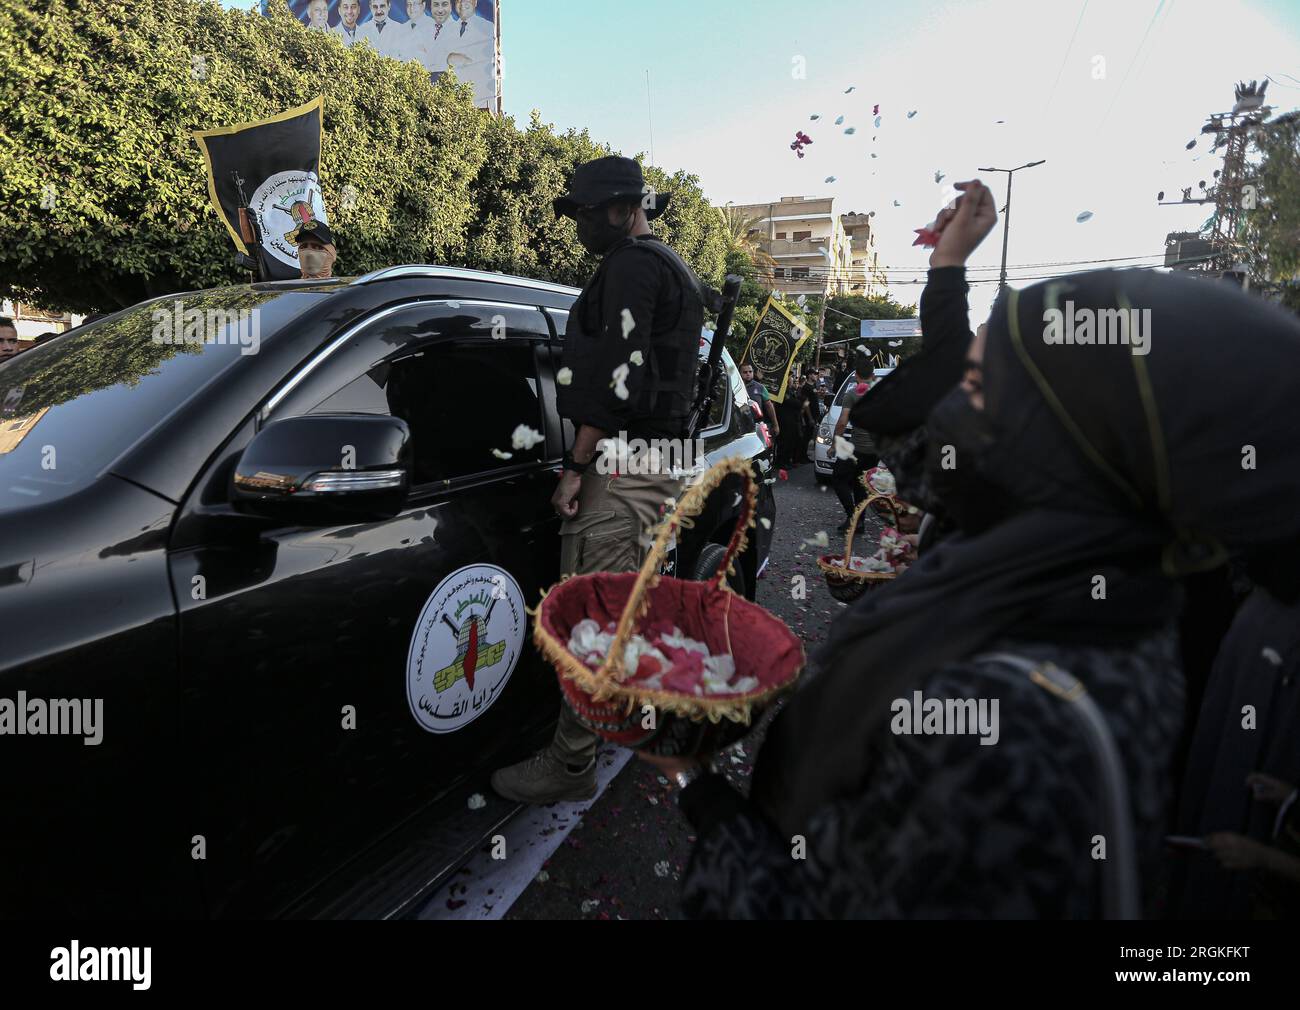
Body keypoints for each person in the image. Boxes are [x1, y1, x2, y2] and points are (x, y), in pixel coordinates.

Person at [637, 178, 1300, 919]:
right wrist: (948, 269)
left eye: (984, 390)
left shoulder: (1019, 722)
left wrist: (693, 781)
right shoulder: (1069, 564)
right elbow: (915, 432)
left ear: (1069, 447)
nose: (952, 413)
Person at [490, 156, 706, 805]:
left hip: (625, 466)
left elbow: (619, 376)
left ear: (620, 209)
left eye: (585, 213)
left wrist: (575, 467)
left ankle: (572, 764)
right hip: (658, 463)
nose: (579, 225)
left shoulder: (635, 265)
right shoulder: (668, 264)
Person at [829, 352, 878, 531]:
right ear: (873, 375)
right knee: (860, 484)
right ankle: (860, 522)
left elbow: (842, 423)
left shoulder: (852, 394)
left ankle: (853, 516)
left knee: (838, 478)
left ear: (856, 375)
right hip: (874, 451)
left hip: (858, 448)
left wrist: (835, 444)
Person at [740, 363, 779, 440]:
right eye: (745, 372)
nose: (748, 374)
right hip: (740, 427)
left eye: (750, 372)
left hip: (757, 427)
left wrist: (775, 425)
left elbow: (769, 407)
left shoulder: (760, 387)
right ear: (739, 373)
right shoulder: (734, 386)